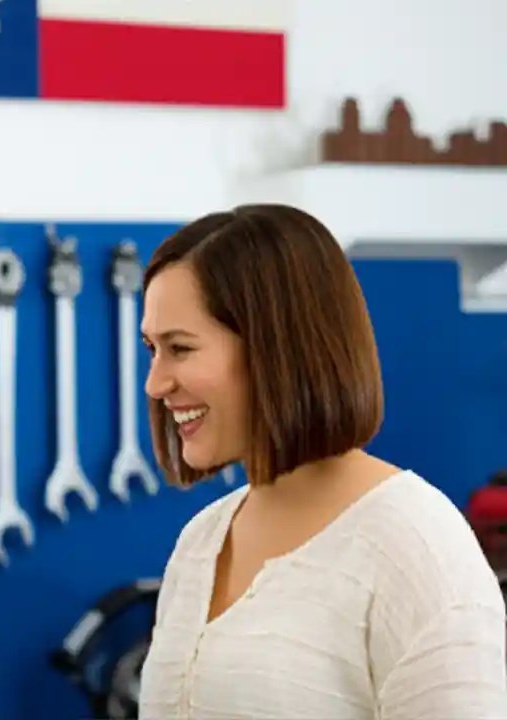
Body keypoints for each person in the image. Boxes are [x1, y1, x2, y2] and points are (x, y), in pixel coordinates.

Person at [135, 204, 507, 718]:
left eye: (179, 348)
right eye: (152, 348)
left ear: (276, 347)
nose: (155, 383)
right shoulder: (200, 542)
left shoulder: (414, 545)